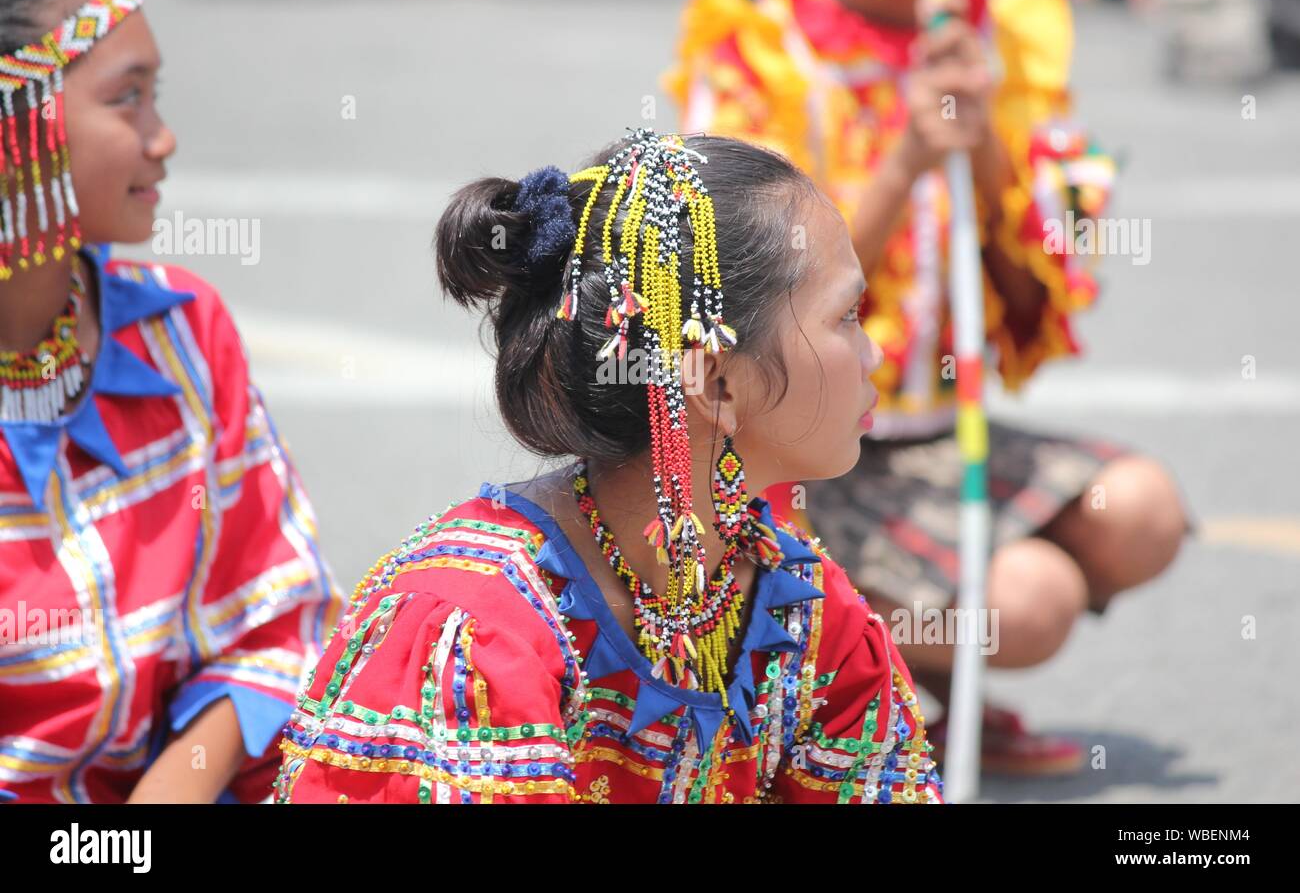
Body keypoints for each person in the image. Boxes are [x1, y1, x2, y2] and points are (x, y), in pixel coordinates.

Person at [274, 129, 943, 803]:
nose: (874, 353)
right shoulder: (477, 631)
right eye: (848, 316)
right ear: (715, 382)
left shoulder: (809, 613)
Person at [662, 0, 1192, 775]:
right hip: (793, 448)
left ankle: (896, 685)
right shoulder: (757, 49)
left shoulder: (1011, 47)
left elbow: (1039, 307)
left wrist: (981, 149)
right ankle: (844, 694)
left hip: (936, 436)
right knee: (1026, 605)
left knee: (1137, 509)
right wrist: (905, 159)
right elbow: (753, 311)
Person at [0, 0, 341, 802]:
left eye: (157, 96)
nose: (164, 137)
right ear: (15, 123)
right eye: (129, 100)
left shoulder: (181, 332)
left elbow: (276, 619)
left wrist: (162, 805)